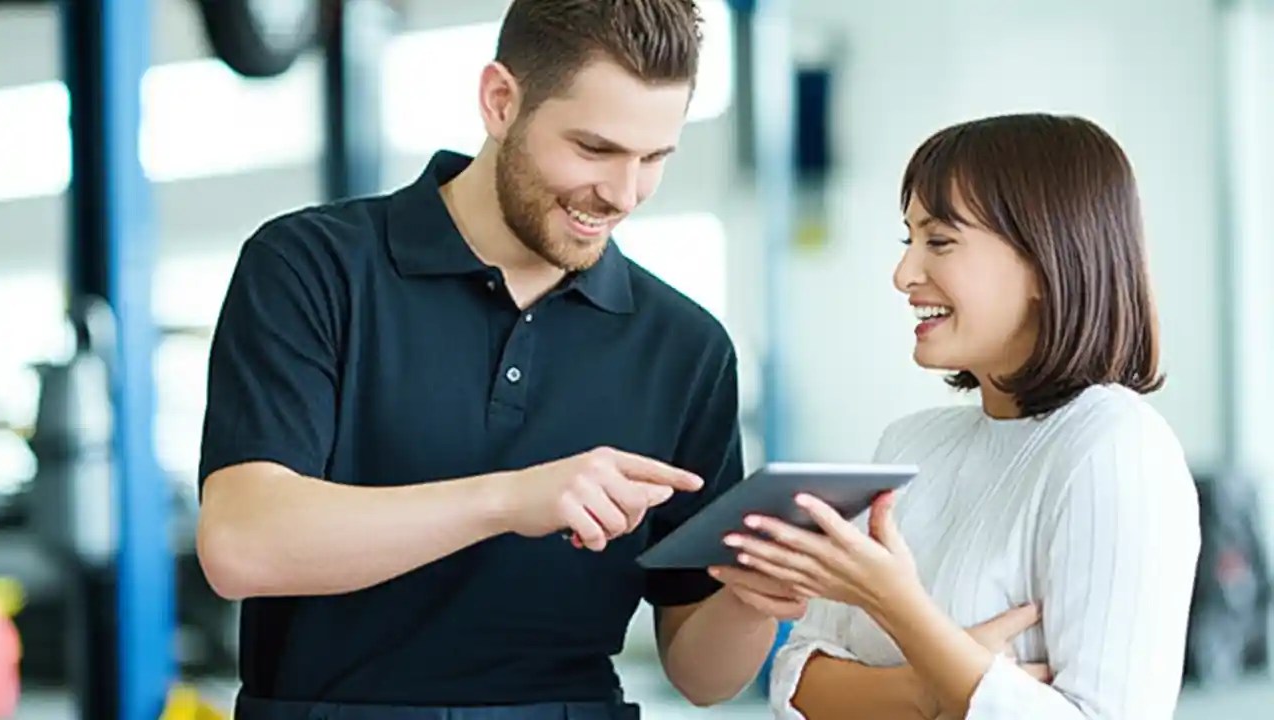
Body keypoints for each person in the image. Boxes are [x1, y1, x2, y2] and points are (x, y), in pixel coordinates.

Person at [194, 2, 806, 718]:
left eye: (654, 158)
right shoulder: (312, 268)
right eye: (594, 148)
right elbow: (242, 546)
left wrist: (753, 597)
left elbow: (703, 677)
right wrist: (510, 499)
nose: (622, 193)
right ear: (500, 101)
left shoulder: (686, 347)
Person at [708, 113, 1201, 719]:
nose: (904, 274)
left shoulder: (1116, 446)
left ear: (1047, 259)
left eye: (939, 241)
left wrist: (896, 607)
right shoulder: (908, 444)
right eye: (908, 240)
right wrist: (929, 689)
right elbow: (796, 684)